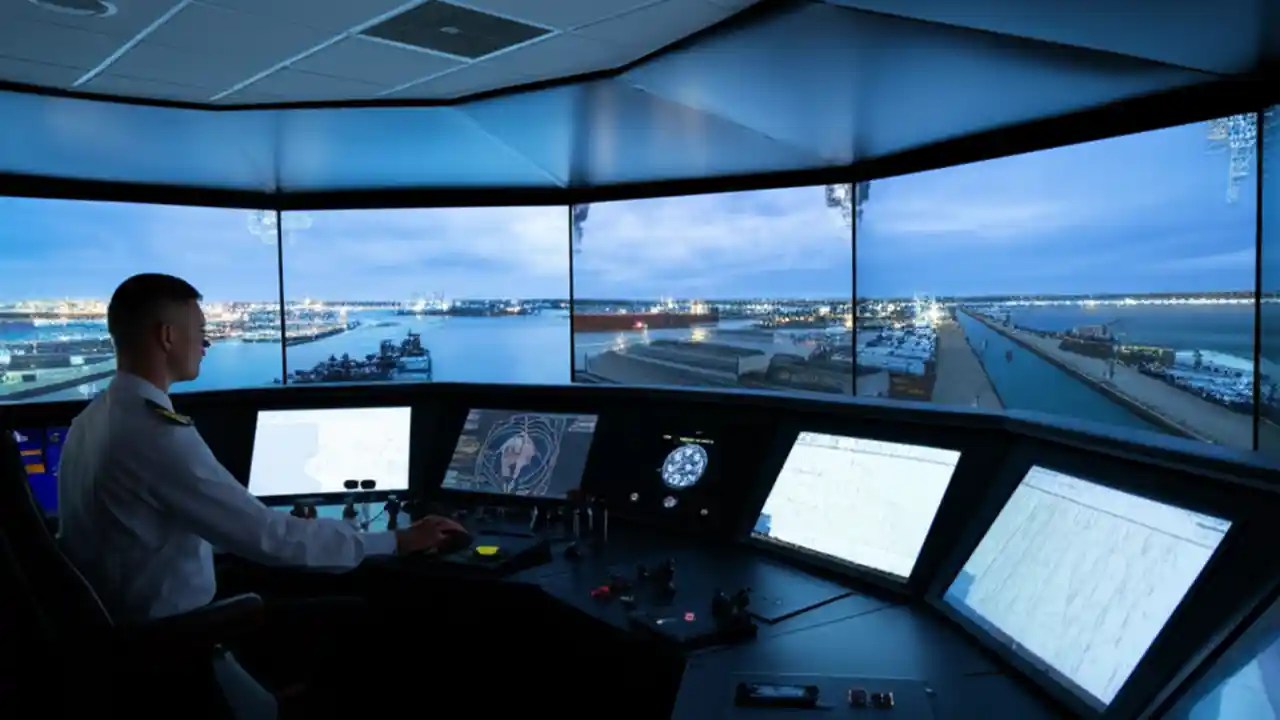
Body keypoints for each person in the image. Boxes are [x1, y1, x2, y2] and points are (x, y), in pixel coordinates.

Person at [56, 273, 467, 712]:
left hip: (123, 635)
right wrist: (398, 540)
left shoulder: (91, 421)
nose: (207, 345)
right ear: (168, 336)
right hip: (177, 643)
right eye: (201, 332)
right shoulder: (155, 433)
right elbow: (271, 538)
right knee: (362, 617)